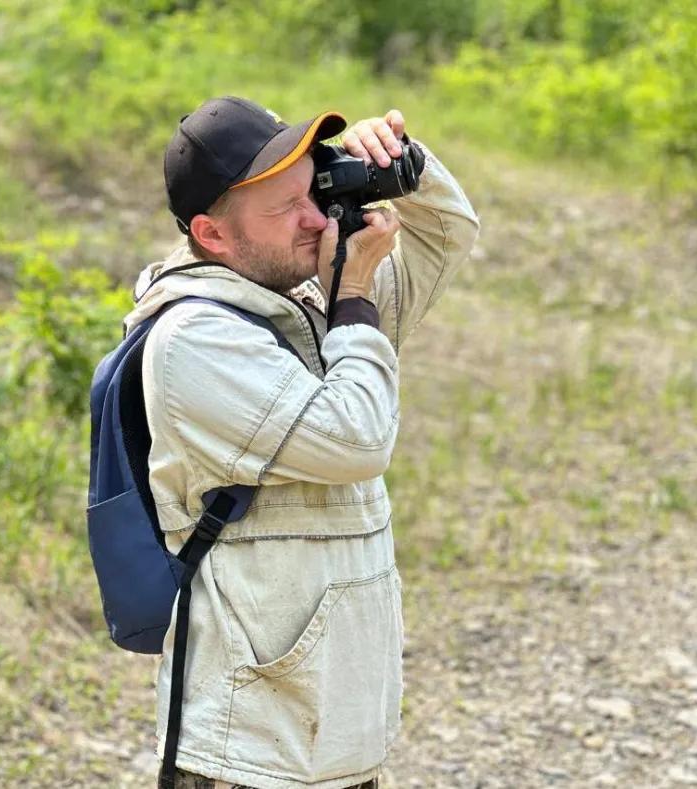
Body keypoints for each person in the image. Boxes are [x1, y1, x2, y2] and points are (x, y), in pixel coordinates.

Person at [126, 95, 479, 788]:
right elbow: (356, 439)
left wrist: (395, 162)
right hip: (251, 747)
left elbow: (449, 234)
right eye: (283, 206)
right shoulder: (193, 338)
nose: (317, 219)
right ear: (213, 234)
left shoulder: (305, 304)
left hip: (329, 734)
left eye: (311, 190)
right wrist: (352, 293)